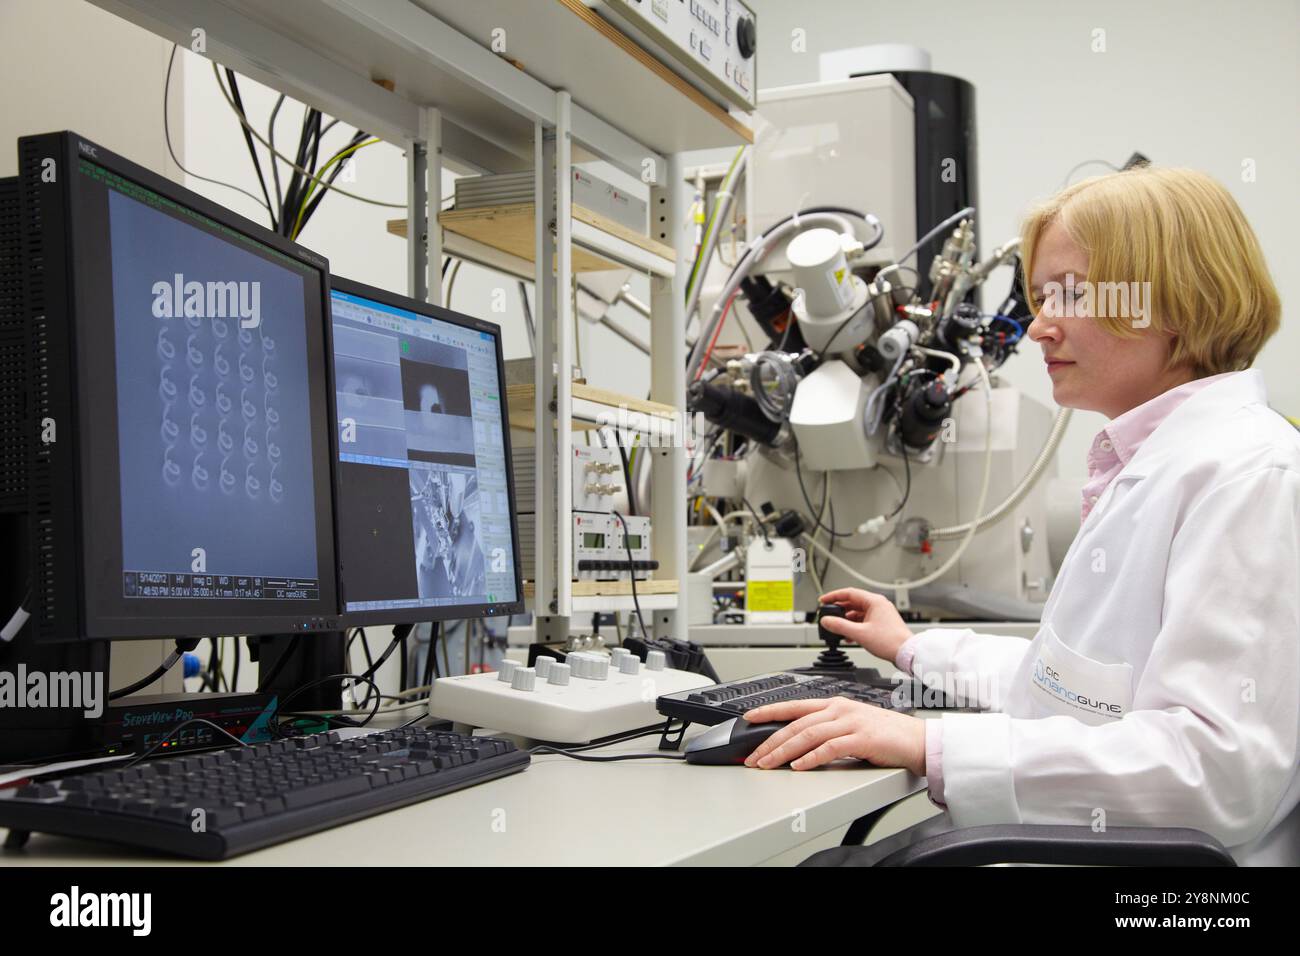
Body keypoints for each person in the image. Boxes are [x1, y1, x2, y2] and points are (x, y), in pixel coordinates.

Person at [743, 166, 1300, 865]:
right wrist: (913, 646)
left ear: (1172, 300)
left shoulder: (1248, 474)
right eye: (1039, 298)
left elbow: (1215, 773)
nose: (1038, 326)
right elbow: (1074, 691)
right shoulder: (1160, 459)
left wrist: (929, 745)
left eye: (1068, 294)